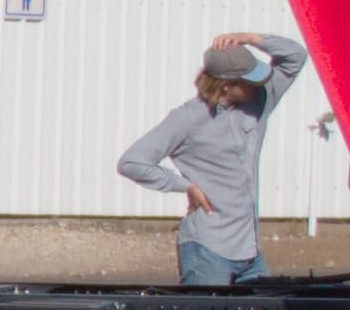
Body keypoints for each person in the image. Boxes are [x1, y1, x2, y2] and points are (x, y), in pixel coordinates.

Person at [119, 29, 307, 286]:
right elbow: (132, 162)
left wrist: (250, 39)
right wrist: (184, 186)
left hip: (251, 253)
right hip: (208, 251)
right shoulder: (186, 118)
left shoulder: (261, 100)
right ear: (226, 84)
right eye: (248, 80)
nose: (258, 84)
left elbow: (296, 56)